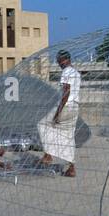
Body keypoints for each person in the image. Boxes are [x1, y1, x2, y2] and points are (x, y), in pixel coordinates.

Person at [37, 49, 81, 177]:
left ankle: (48, 155)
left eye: (59, 60)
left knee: (43, 124)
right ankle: (72, 168)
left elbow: (66, 92)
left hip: (66, 106)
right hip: (75, 107)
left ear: (65, 59)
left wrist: (57, 113)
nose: (59, 63)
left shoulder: (66, 71)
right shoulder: (76, 73)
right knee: (68, 135)